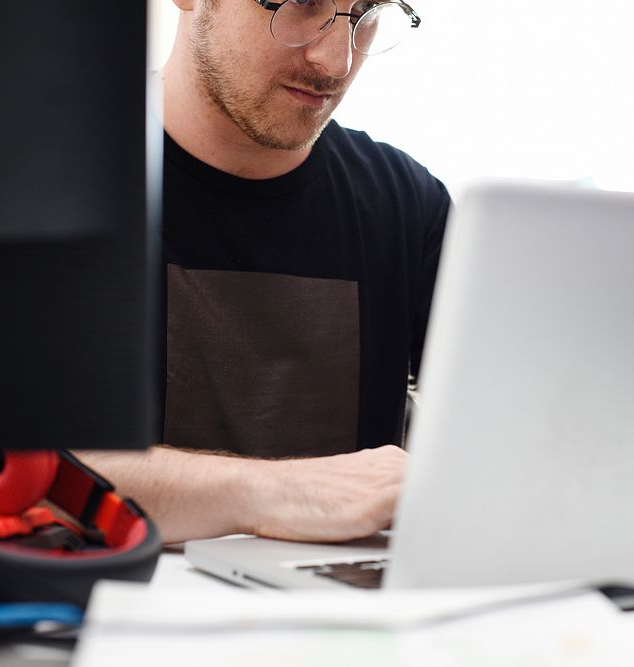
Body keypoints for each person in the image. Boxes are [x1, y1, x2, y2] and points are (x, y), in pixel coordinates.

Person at [77, 0, 449, 545]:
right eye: (301, 3)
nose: (335, 61)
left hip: (348, 614)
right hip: (109, 608)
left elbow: (522, 432)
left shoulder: (408, 204)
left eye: (366, 13)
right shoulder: (48, 181)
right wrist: (275, 492)